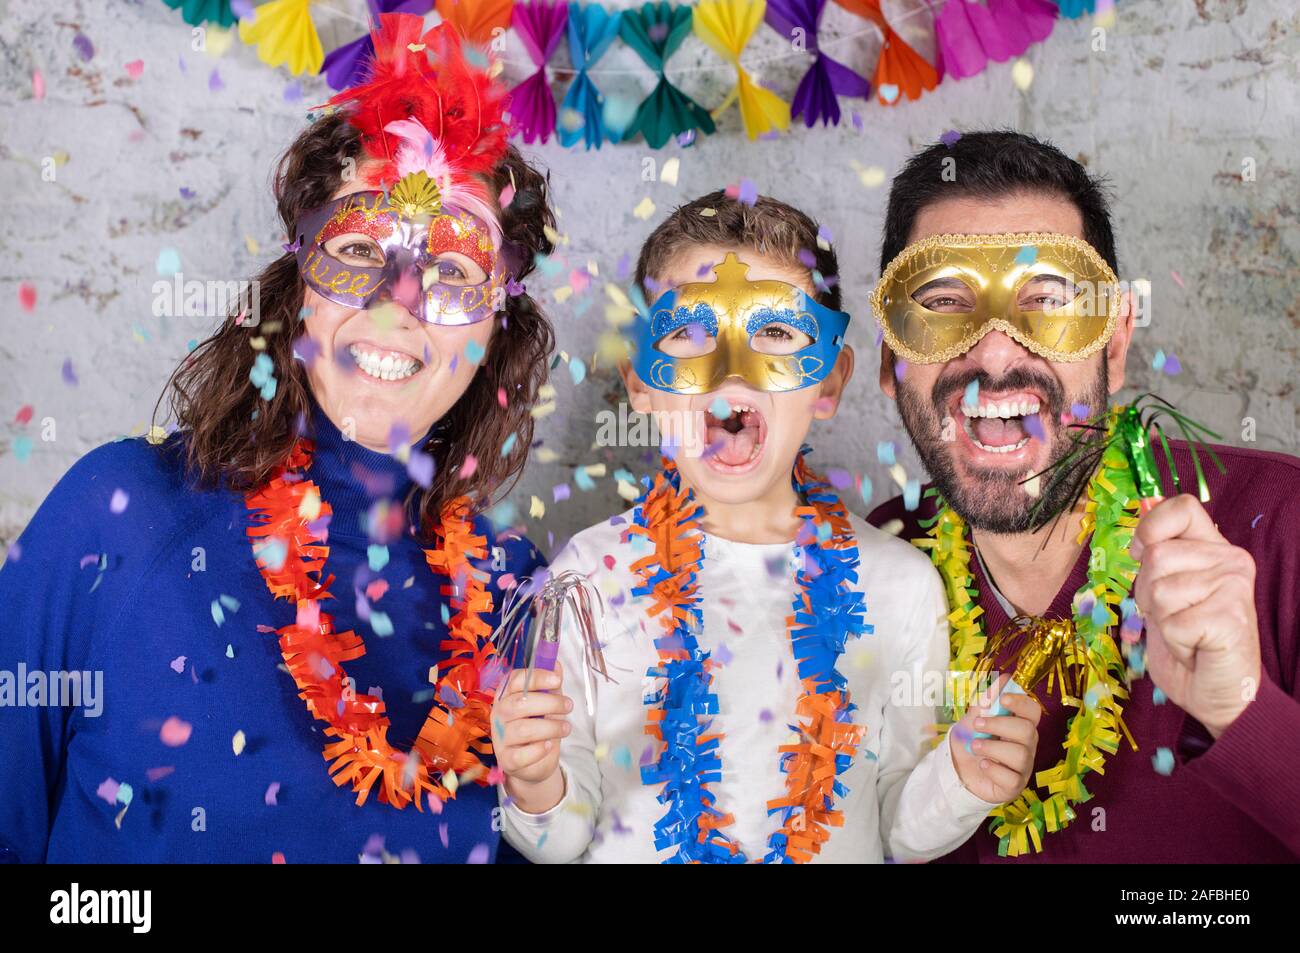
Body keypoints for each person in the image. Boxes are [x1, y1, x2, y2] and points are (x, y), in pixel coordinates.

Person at [0, 14, 555, 863]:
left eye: (451, 270)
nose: (397, 301)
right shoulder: (119, 516)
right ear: (298, 280)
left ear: (495, 326)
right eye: (360, 247)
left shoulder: (521, 599)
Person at [491, 191, 1040, 863]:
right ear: (640, 380)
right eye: (689, 333)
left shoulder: (898, 584)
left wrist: (964, 779)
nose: (730, 368)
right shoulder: (587, 575)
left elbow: (897, 820)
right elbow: (560, 839)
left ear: (830, 381)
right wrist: (534, 779)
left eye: (777, 333)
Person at [867, 130, 1300, 862]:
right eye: (943, 303)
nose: (997, 355)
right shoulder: (872, 569)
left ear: (1116, 341)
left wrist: (1244, 712)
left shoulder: (1278, 525)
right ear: (891, 360)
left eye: (1048, 299)